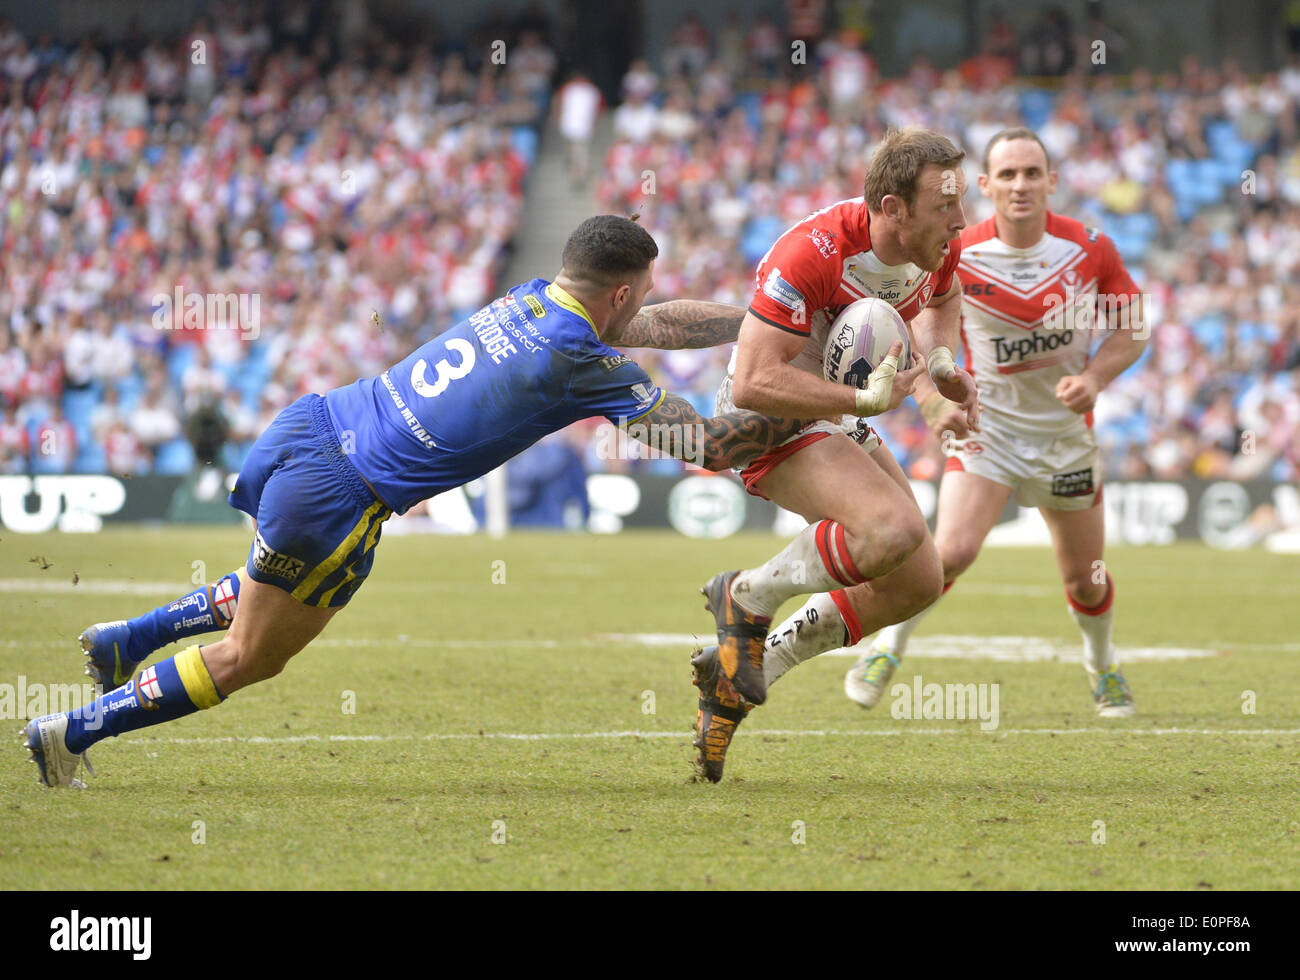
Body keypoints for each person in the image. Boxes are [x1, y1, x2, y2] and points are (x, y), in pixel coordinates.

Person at [24, 215, 809, 788]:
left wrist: (769, 324)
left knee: (271, 589)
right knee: (252, 655)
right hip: (341, 496)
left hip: (311, 424)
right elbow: (707, 447)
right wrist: (809, 397)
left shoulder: (534, 298)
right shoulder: (581, 359)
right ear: (623, 290)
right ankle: (70, 734)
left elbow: (656, 324)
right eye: (640, 295)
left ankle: (125, 640)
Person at [692, 127, 980, 782]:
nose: (961, 221)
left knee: (917, 580)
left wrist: (938, 363)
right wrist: (860, 403)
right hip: (766, 420)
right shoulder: (812, 251)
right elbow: (752, 380)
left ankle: (740, 673)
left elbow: (943, 295)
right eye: (945, 207)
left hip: (833, 413)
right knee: (894, 530)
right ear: (892, 208)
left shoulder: (938, 246)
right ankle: (747, 596)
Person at [844, 127, 1148, 716]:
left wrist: (1093, 381)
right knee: (949, 552)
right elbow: (910, 332)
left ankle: (1103, 664)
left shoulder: (1092, 249)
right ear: (983, 185)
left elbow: (1132, 329)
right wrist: (934, 403)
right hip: (989, 434)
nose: (1020, 185)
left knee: (1086, 580)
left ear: (1052, 181)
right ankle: (887, 646)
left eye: (1032, 172)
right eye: (1006, 174)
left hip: (1064, 440)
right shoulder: (955, 252)